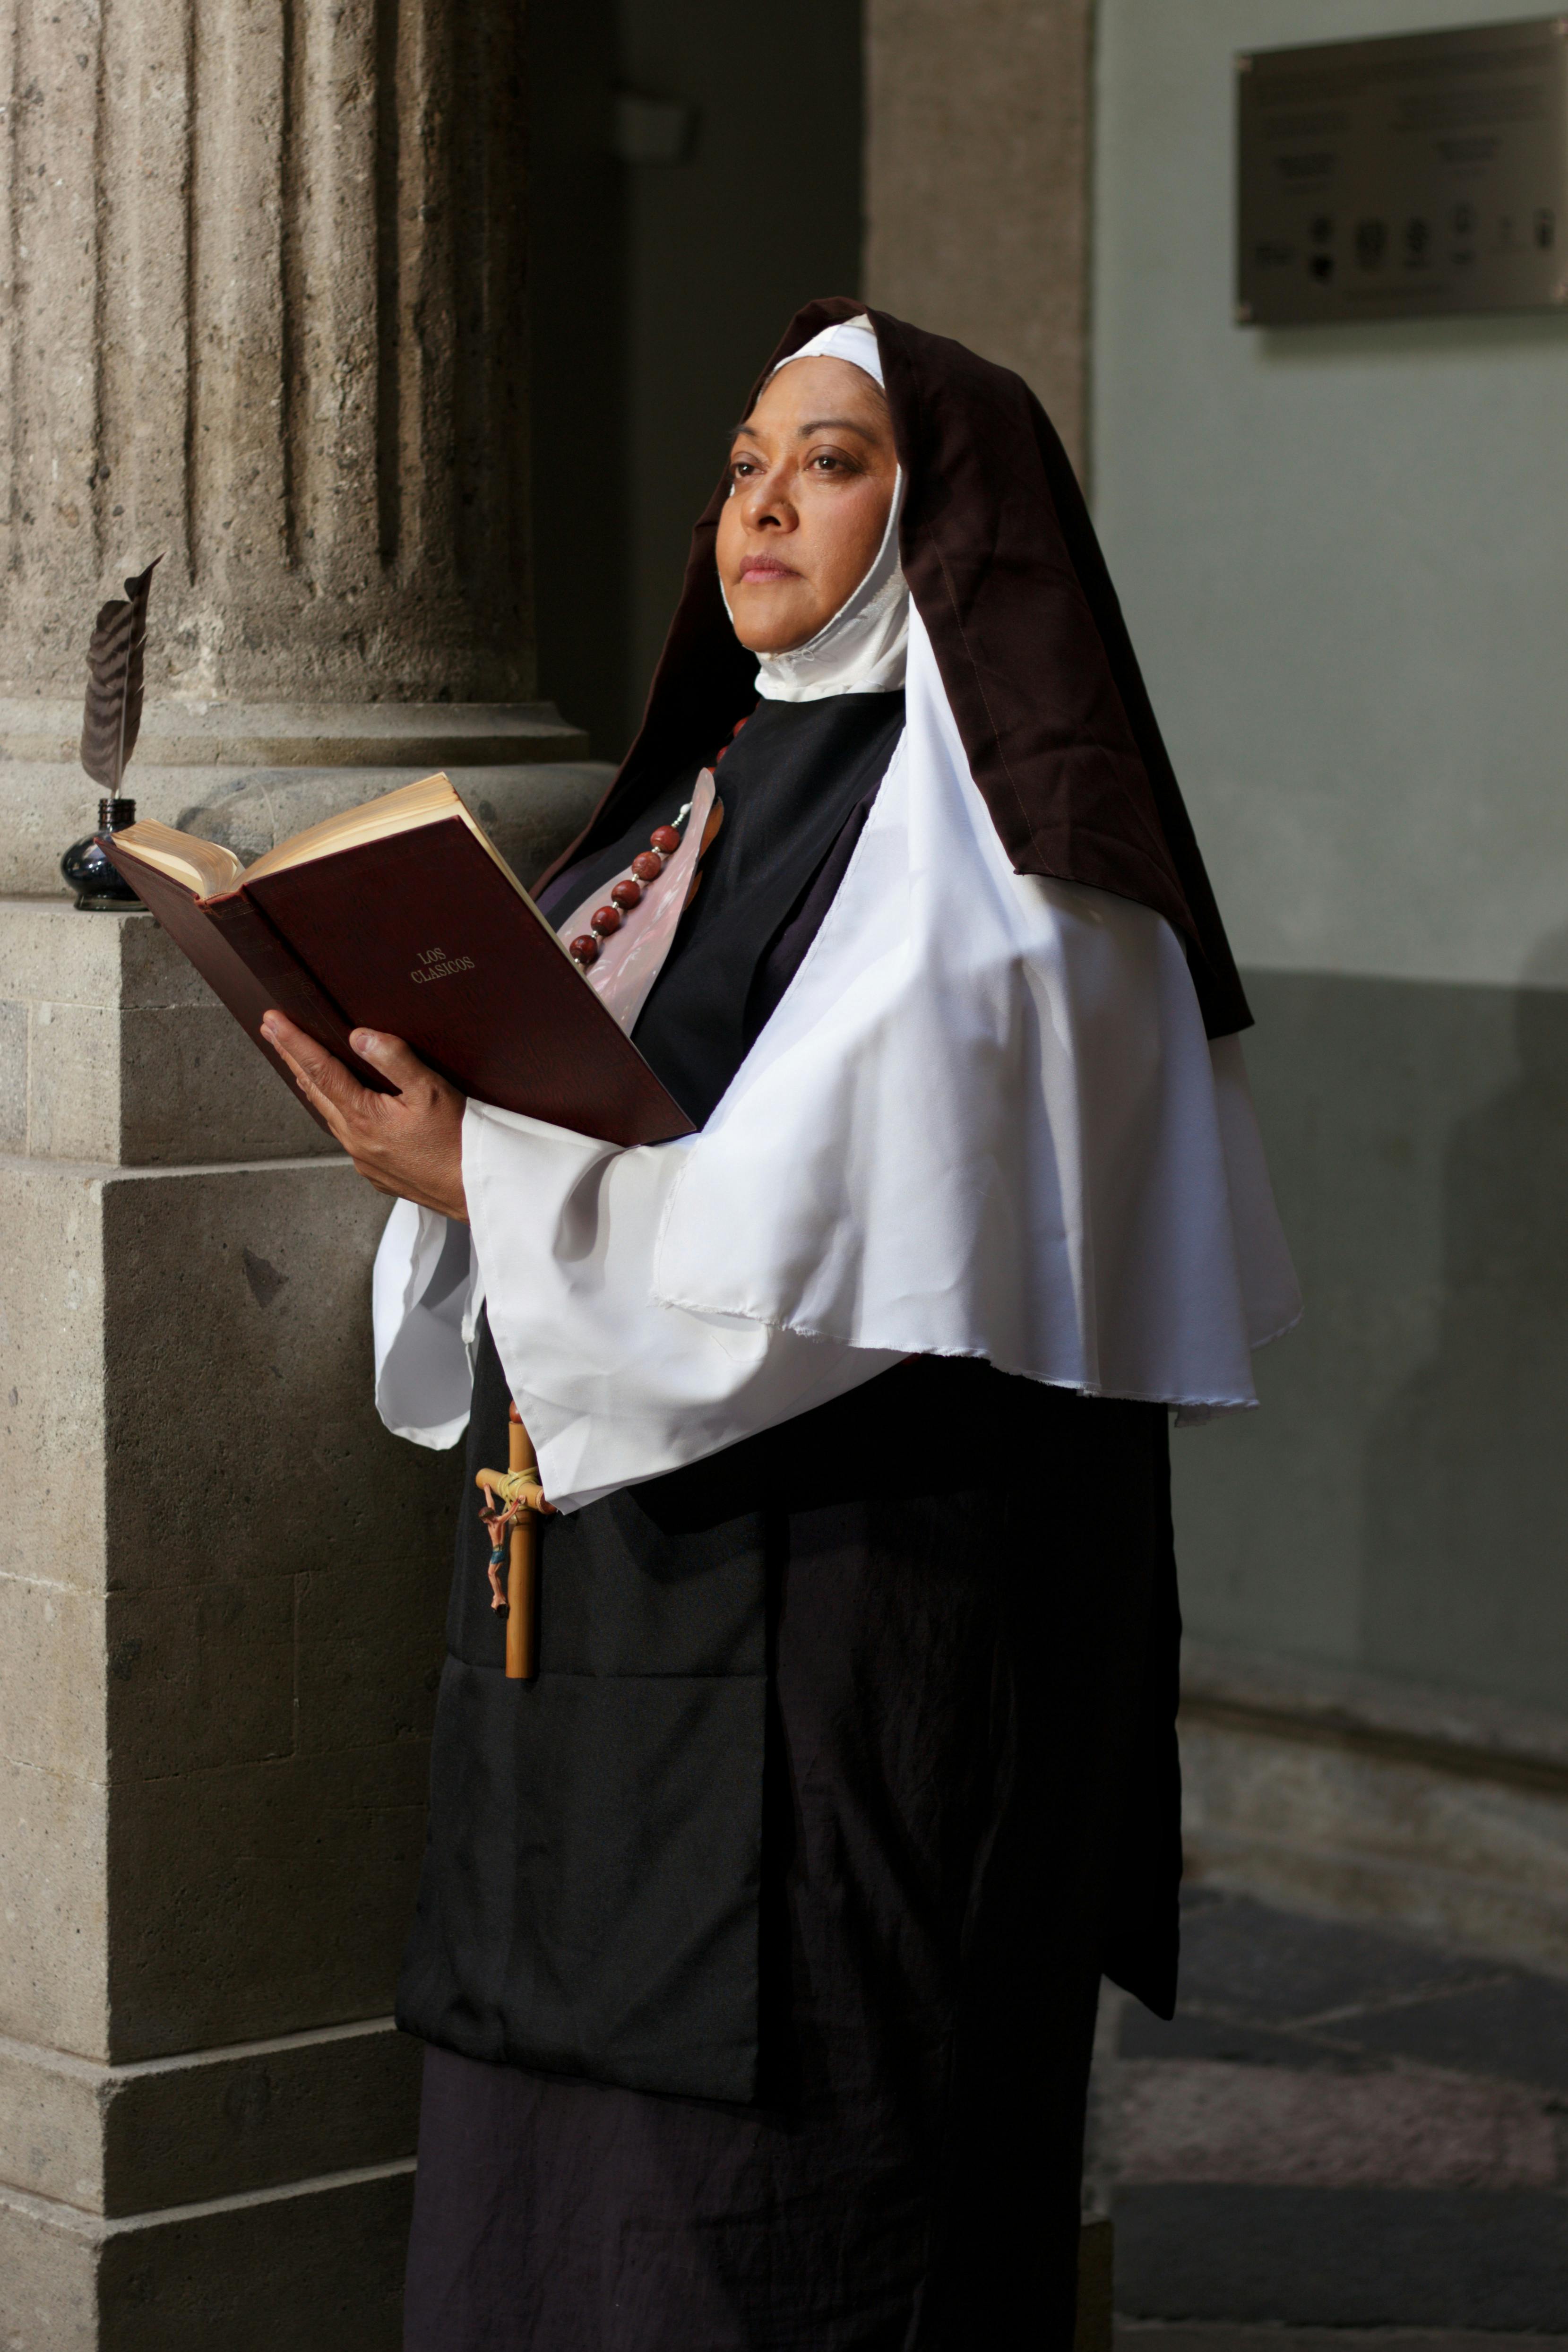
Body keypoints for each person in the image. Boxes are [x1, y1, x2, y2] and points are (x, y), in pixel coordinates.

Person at [262, 302, 1299, 2352]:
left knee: (789, 2183)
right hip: (615, 1585)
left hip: (848, 1620)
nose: (760, 504)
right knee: (542, 2153)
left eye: (829, 463)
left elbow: (857, 1228)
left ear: (949, 525)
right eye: (743, 465)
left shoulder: (1017, 864)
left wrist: (486, 1181)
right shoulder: (705, 796)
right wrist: (437, 1118)